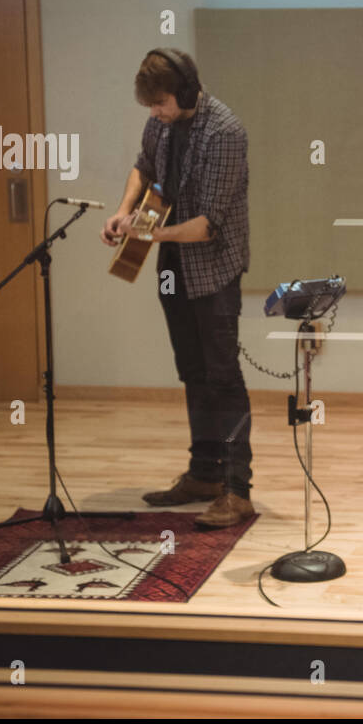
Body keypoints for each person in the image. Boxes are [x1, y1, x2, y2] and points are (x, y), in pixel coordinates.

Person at [100, 49, 255, 529]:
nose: (155, 113)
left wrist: (148, 233)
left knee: (222, 375)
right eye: (149, 106)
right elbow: (144, 168)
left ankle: (237, 489)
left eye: (162, 103)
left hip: (212, 266)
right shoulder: (161, 123)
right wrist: (124, 213)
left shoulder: (225, 133)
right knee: (192, 370)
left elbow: (207, 225)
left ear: (185, 91)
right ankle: (203, 473)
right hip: (172, 264)